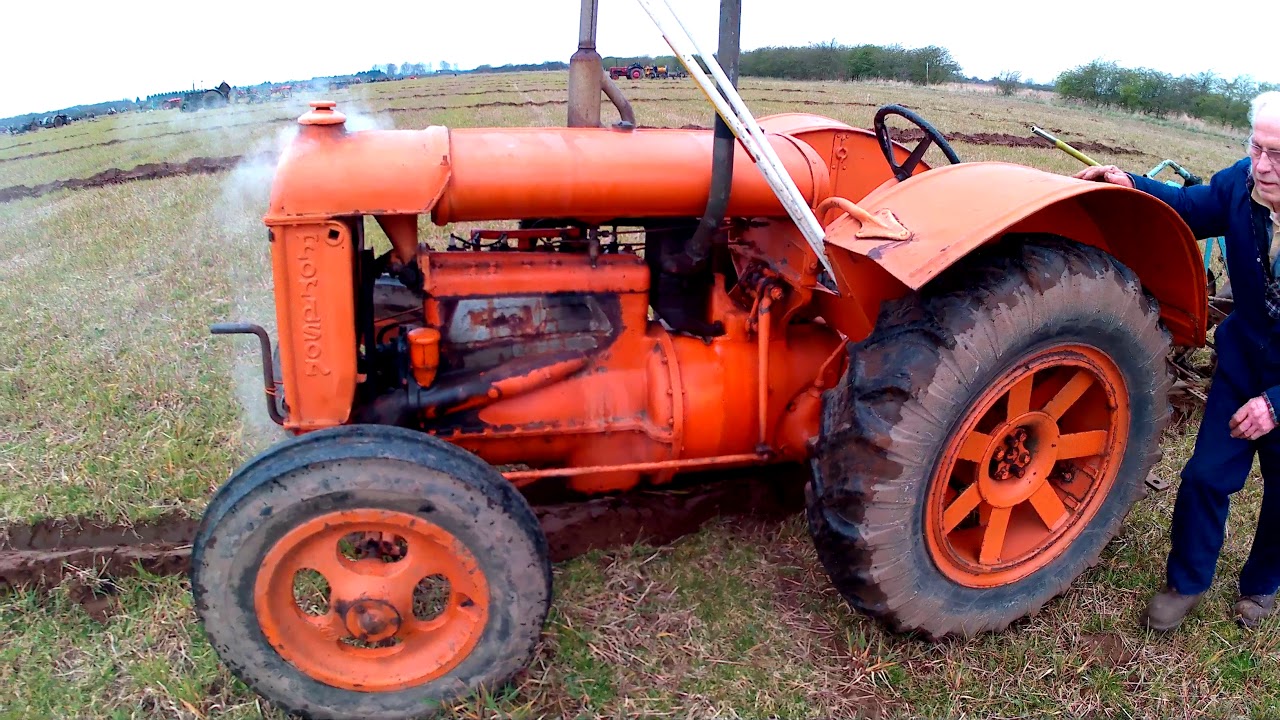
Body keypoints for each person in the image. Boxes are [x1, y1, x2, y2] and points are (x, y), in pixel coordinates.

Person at [1074, 90, 1280, 631]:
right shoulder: (1242, 185)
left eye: (1277, 155)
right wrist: (1131, 184)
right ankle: (1187, 582)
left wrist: (1276, 405)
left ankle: (1260, 586)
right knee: (1206, 476)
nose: (1262, 166)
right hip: (1246, 359)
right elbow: (1189, 208)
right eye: (1257, 148)